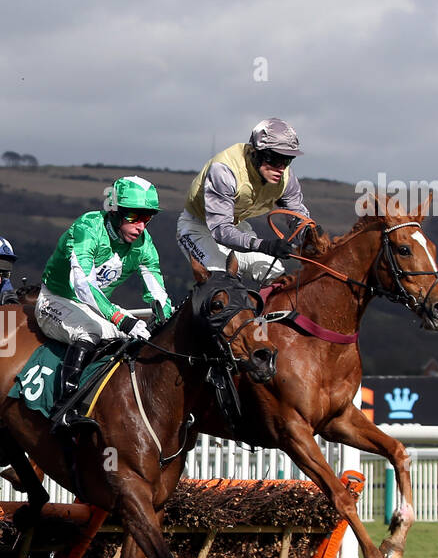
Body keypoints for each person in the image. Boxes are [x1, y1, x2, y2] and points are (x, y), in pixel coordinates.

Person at [37, 176, 174, 423]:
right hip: (55, 298)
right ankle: (65, 407)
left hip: (94, 307)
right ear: (114, 212)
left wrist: (164, 314)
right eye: (134, 216)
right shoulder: (87, 228)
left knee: (134, 336)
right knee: (90, 331)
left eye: (147, 218)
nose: (141, 226)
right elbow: (83, 286)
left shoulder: (144, 244)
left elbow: (157, 291)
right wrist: (119, 318)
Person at [177, 117, 313, 282]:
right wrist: (265, 246)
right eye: (275, 158)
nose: (281, 167)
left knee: (276, 275)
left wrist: (310, 234)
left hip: (236, 226)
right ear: (256, 153)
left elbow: (297, 215)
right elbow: (221, 231)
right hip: (198, 227)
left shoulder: (286, 177)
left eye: (287, 160)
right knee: (222, 280)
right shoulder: (224, 171)